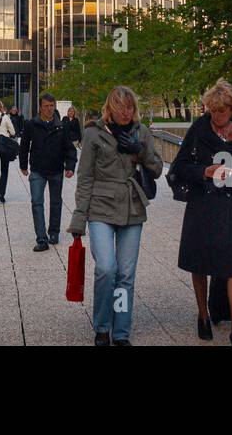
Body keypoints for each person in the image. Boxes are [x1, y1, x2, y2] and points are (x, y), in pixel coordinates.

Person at [68, 86, 163, 346]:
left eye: (130, 107)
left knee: (126, 274)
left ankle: (120, 332)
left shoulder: (141, 132)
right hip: (100, 207)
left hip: (132, 208)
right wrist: (79, 217)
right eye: (121, 107)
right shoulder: (93, 133)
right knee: (106, 268)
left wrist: (140, 150)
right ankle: (101, 326)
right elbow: (85, 177)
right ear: (111, 108)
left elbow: (156, 168)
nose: (126, 112)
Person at [171, 79, 232, 346]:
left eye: (221, 111)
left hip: (231, 207)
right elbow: (179, 166)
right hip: (203, 205)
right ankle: (203, 316)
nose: (216, 115)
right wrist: (204, 172)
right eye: (212, 110)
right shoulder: (198, 128)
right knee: (200, 264)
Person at [18, 93, 76, 250]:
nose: (49, 109)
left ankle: (54, 232)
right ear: (40, 107)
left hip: (56, 169)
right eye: (46, 106)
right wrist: (23, 165)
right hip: (38, 169)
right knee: (37, 202)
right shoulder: (31, 124)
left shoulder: (62, 126)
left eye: (52, 106)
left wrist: (70, 166)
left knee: (56, 202)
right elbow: (24, 146)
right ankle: (41, 238)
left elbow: (70, 149)